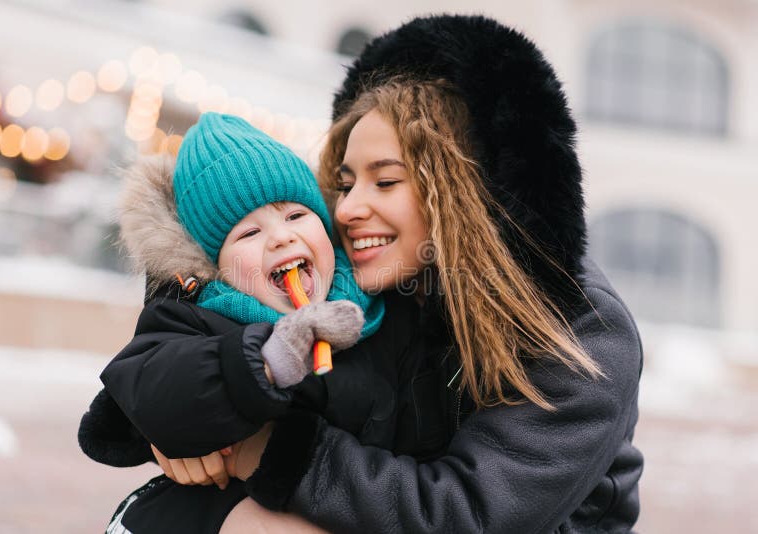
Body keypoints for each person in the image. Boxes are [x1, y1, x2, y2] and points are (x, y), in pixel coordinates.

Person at [93, 14, 645, 533]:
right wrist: (187, 424)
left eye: (385, 182)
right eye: (345, 182)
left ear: (467, 188)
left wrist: (258, 449)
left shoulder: (579, 329)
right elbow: (197, 315)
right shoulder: (375, 279)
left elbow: (468, 513)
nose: (348, 208)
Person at [79, 112, 418, 533]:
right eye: (249, 233)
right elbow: (149, 393)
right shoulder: (200, 317)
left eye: (296, 216)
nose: (281, 237)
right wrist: (265, 361)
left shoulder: (378, 308)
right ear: (216, 265)